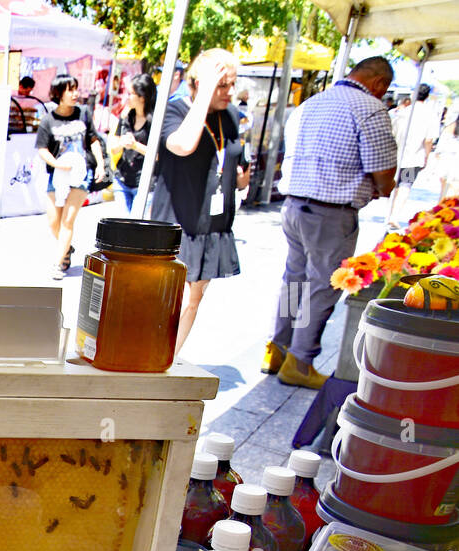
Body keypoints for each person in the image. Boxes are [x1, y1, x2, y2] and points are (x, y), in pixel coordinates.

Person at [264, 56, 395, 389]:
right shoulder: (370, 108)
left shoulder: (313, 102)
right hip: (330, 213)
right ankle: (300, 361)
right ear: (379, 83)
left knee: (295, 280)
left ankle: (277, 349)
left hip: (294, 206)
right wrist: (381, 187)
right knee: (322, 287)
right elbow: (384, 175)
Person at [150, 50, 250, 354]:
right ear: (197, 83)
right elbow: (183, 145)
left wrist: (243, 176)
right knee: (165, 299)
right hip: (177, 223)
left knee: (194, 298)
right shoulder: (175, 111)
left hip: (212, 223)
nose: (229, 93)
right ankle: (150, 354)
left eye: (231, 85)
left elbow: (236, 166)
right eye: (222, 86)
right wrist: (204, 95)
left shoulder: (231, 116)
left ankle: (168, 357)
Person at [36, 74, 104, 281]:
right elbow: (42, 148)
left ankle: (58, 263)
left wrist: (100, 164)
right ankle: (66, 248)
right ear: (59, 93)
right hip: (57, 175)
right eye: (70, 89)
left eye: (76, 89)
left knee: (68, 220)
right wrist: (57, 164)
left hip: (81, 173)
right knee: (53, 221)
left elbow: (93, 140)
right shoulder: (48, 120)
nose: (75, 94)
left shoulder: (83, 113)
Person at [388, 83, 442, 226]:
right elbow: (429, 139)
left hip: (395, 156)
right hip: (414, 158)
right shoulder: (430, 114)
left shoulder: (403, 112)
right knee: (405, 185)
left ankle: (390, 212)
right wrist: (426, 156)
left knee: (395, 183)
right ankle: (394, 215)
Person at [110, 72, 155, 213]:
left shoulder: (155, 122)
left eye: (130, 93)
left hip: (145, 183)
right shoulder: (126, 118)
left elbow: (159, 155)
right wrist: (122, 144)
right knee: (121, 226)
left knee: (135, 229)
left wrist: (136, 146)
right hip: (122, 179)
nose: (126, 97)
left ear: (142, 97)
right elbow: (113, 148)